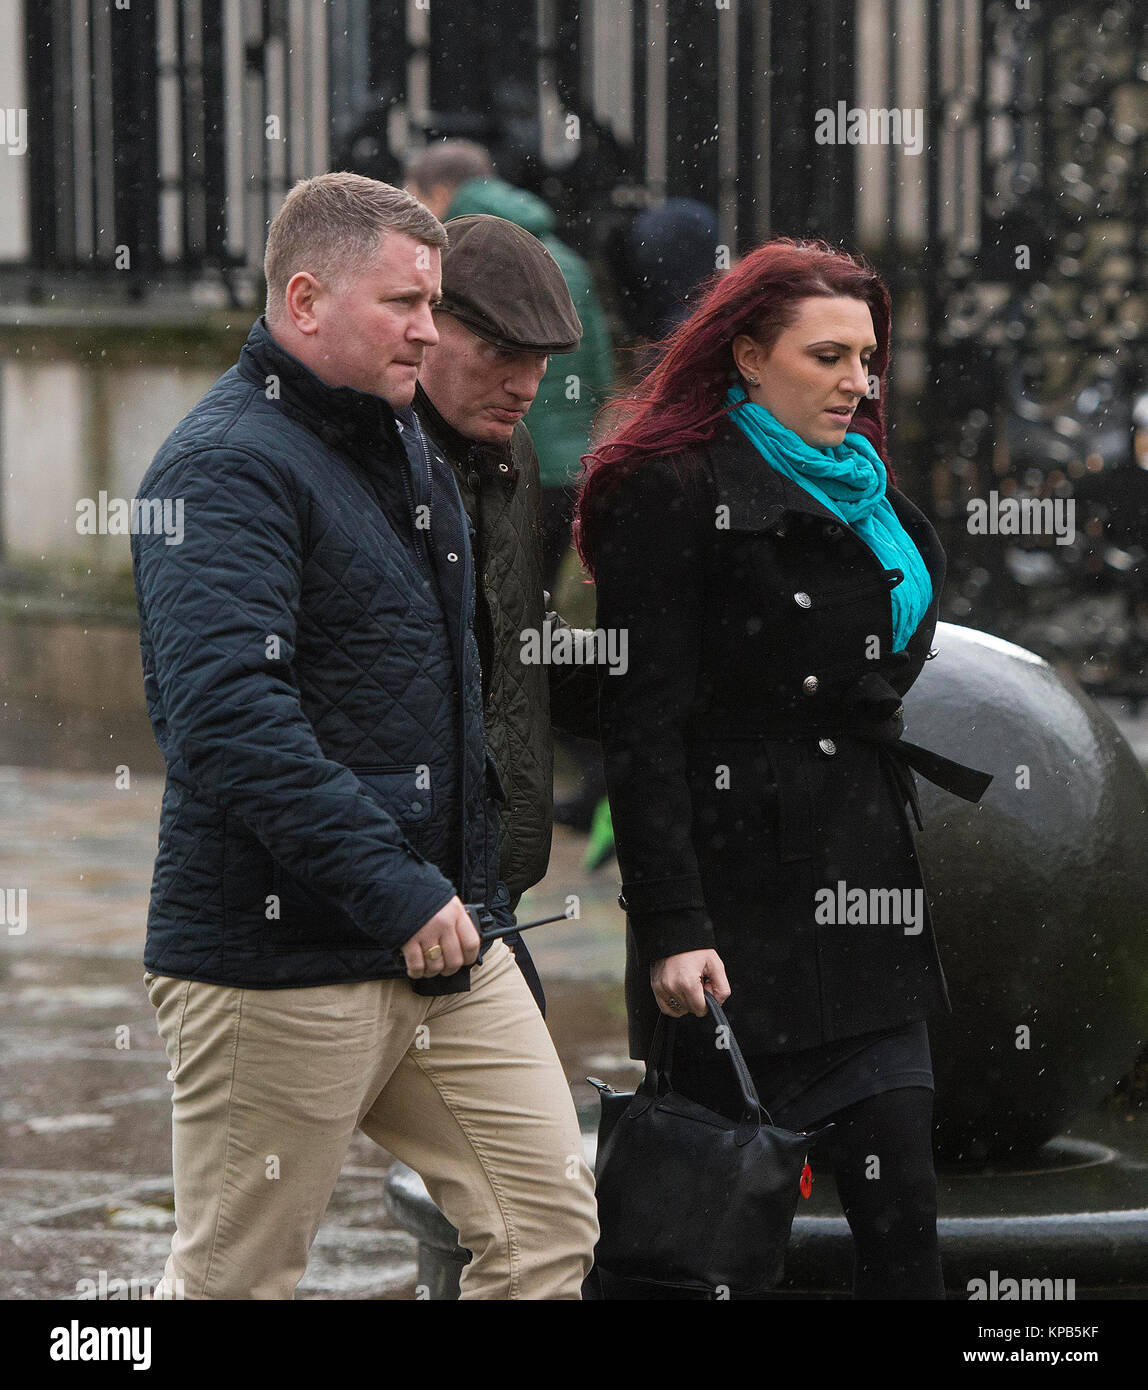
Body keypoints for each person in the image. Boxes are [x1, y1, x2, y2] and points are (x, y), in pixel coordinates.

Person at [131, 172, 597, 1300]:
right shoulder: (222, 467)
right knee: (238, 1280)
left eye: (434, 304)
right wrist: (396, 887)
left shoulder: (403, 447)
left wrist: (469, 898)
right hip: (278, 958)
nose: (428, 330)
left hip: (445, 945)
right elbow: (228, 722)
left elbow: (451, 699)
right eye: (403, 304)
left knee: (548, 1228)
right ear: (304, 300)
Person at [576, 236, 992, 1300]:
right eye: (825, 357)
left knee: (906, 1242)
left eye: (865, 357)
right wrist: (669, 924)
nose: (855, 382)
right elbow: (642, 725)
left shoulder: (878, 506)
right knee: (713, 1252)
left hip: (865, 903)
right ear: (748, 356)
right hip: (732, 923)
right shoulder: (668, 491)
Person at [412, 213, 601, 985]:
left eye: (544, 361)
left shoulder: (509, 450)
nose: (527, 386)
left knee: (542, 1115)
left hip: (487, 897)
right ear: (423, 322)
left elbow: (519, 648)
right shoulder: (362, 456)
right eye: (500, 354)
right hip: (392, 904)